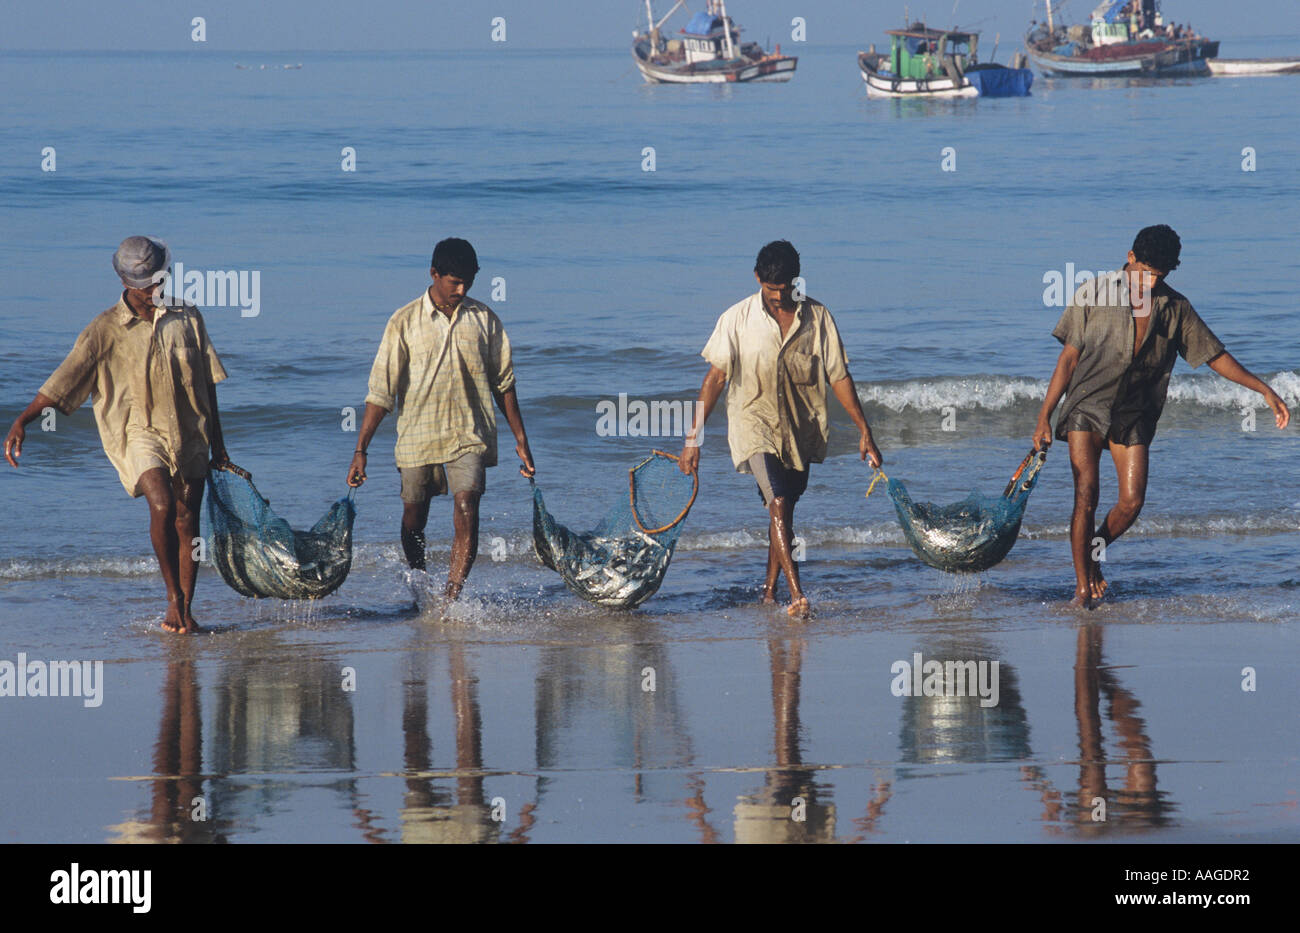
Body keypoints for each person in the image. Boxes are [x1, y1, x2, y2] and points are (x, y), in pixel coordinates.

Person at [1032, 225, 1289, 608]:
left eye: (1160, 276)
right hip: (1087, 403)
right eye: (1146, 272)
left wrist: (1263, 388)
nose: (1151, 283)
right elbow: (1068, 358)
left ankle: (1093, 553)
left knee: (1131, 502)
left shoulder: (1176, 307)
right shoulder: (1092, 292)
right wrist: (1044, 416)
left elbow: (1214, 356)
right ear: (1130, 258)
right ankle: (1082, 589)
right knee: (1086, 493)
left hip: (1135, 411)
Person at [4, 236, 230, 634]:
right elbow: (65, 379)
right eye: (150, 284)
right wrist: (24, 419)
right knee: (161, 504)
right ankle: (172, 599)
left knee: (186, 518)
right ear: (128, 283)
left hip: (190, 431)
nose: (157, 288)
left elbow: (208, 385)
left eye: (162, 278)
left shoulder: (188, 317)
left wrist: (221, 445)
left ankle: (186, 612)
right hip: (138, 432)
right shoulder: (104, 329)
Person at [679, 240, 882, 618]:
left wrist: (864, 431)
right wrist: (693, 439)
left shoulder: (817, 317)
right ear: (757, 278)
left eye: (785, 288)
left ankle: (769, 592)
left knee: (784, 511)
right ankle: (796, 595)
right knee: (778, 501)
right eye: (771, 289)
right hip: (753, 423)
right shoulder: (736, 319)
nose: (778, 296)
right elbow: (715, 378)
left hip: (801, 429)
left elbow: (838, 376)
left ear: (796, 280)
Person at [346, 238, 534, 599]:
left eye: (468, 282)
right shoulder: (403, 322)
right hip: (418, 436)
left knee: (467, 503)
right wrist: (361, 450)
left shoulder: (484, 321)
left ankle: (451, 597)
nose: (461, 290)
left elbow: (504, 384)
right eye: (454, 282)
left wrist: (521, 441)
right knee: (414, 516)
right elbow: (381, 392)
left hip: (470, 433)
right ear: (434, 274)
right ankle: (419, 583)